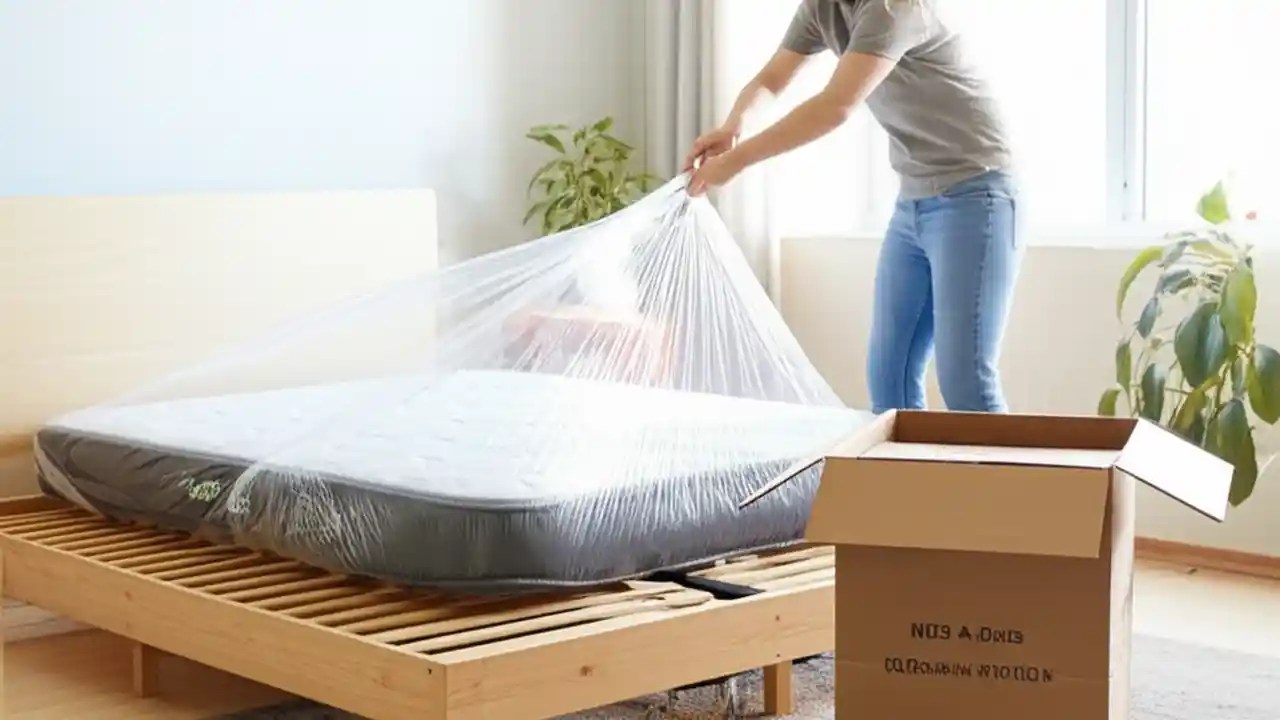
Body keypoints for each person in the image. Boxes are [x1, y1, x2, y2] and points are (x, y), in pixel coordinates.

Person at [685, 0, 1022, 414]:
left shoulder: (893, 8)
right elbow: (773, 79)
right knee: (889, 379)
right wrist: (733, 127)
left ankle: (1008, 482)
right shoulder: (822, 7)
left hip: (976, 194)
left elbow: (835, 107)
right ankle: (905, 481)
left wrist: (736, 162)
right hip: (913, 201)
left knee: (965, 382)